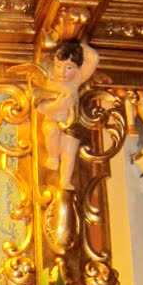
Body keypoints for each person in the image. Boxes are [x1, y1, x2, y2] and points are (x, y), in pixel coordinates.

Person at [35, 35, 99, 189]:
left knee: (70, 151)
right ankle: (53, 157)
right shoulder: (49, 83)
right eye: (58, 66)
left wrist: (79, 46)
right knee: (51, 132)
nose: (62, 72)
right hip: (52, 119)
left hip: (72, 122)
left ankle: (65, 180)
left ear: (77, 69)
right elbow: (40, 106)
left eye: (69, 67)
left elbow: (94, 58)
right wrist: (57, 105)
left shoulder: (76, 81)